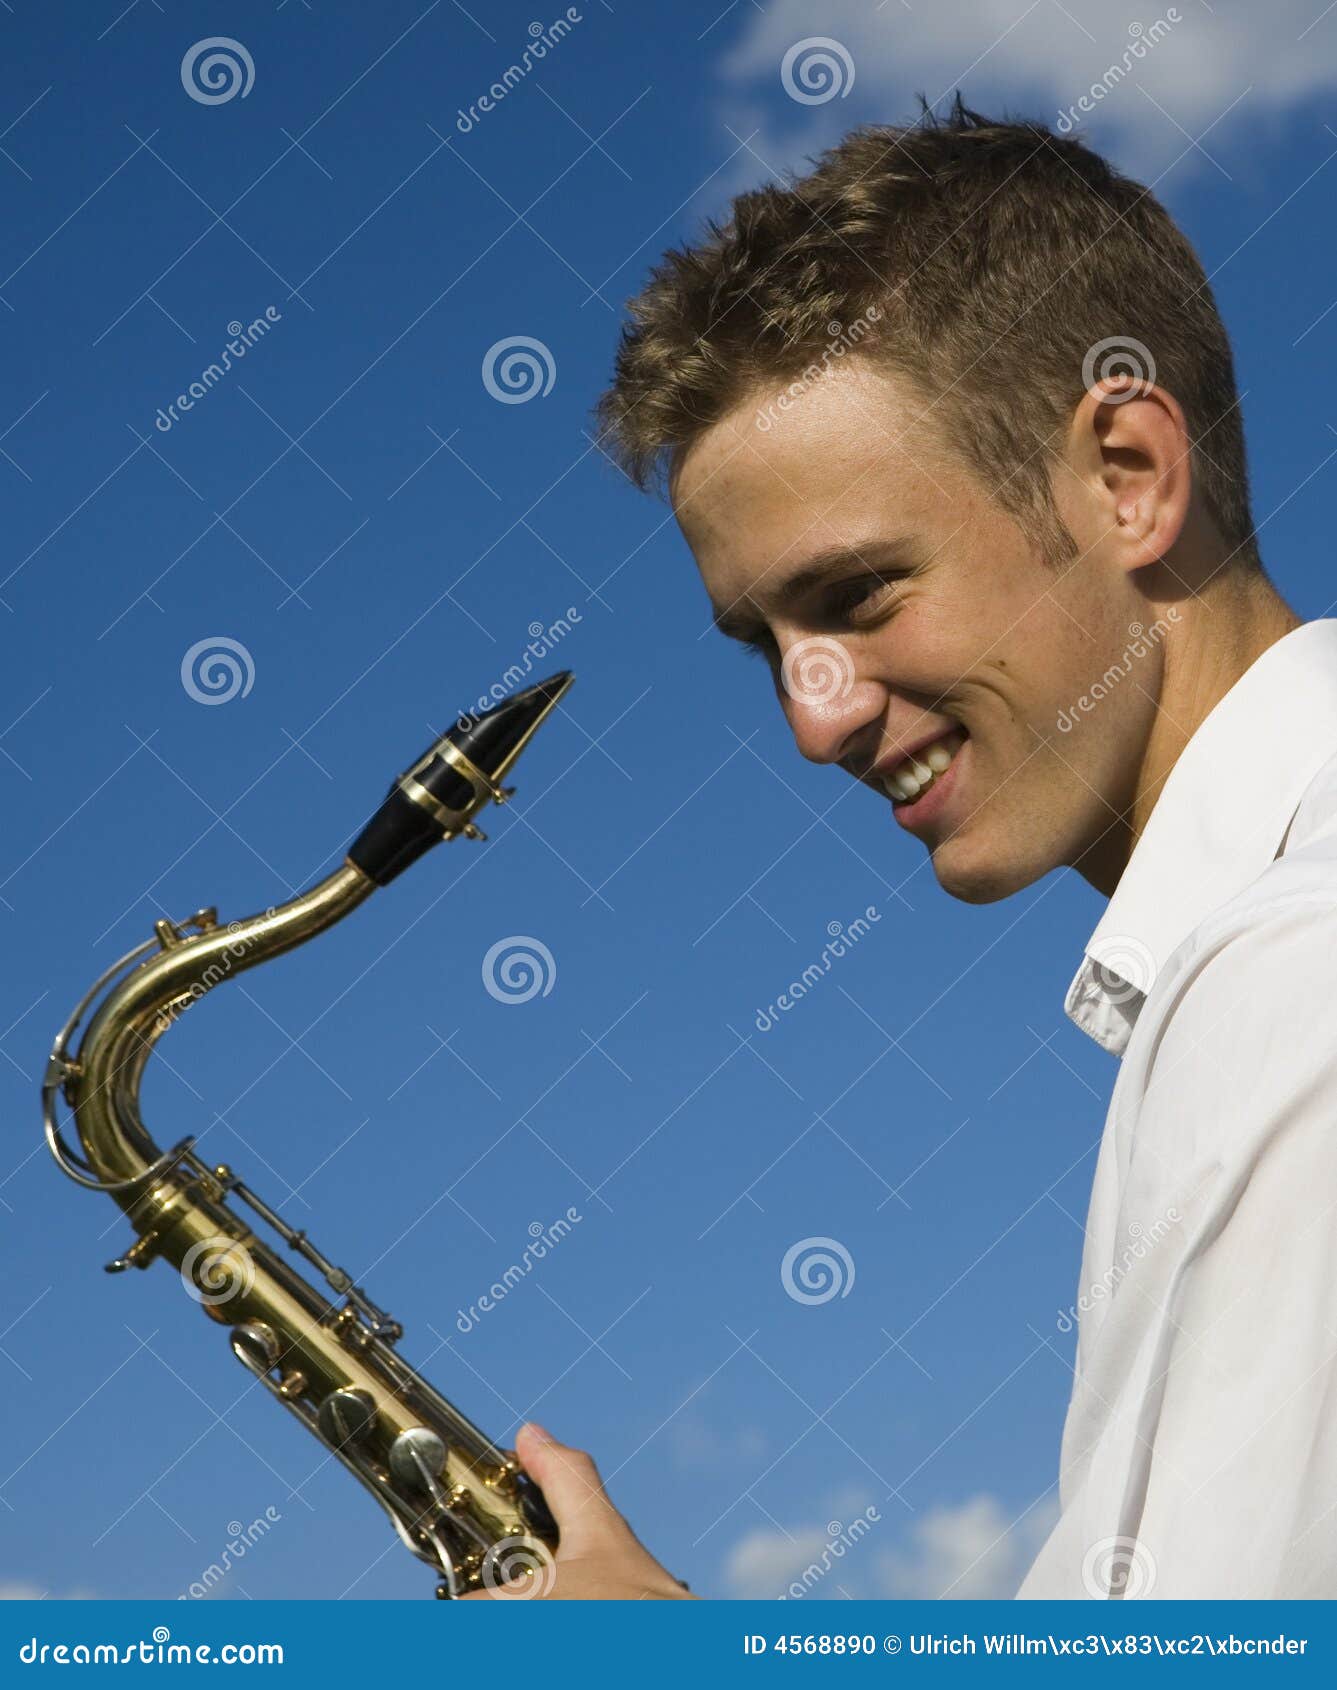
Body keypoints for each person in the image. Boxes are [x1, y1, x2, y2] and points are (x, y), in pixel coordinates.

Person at [473, 94, 1337, 1601]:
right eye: (765, 644)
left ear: (1128, 473)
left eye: (860, 594)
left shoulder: (1291, 971)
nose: (812, 720)